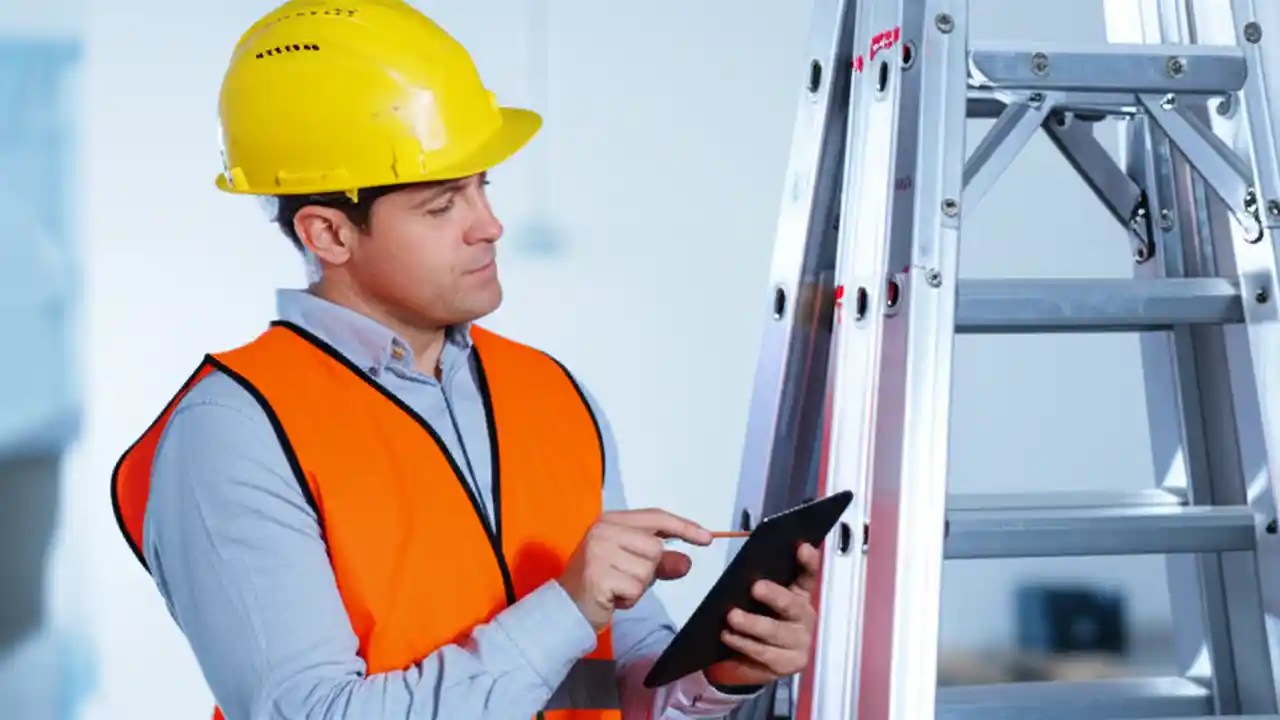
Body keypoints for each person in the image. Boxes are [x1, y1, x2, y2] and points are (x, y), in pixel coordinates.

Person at [110, 1, 822, 718]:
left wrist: (719, 673)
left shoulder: (551, 393)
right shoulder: (235, 430)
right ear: (328, 233)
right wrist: (567, 607)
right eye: (442, 205)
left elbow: (613, 686)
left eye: (483, 186)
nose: (489, 225)